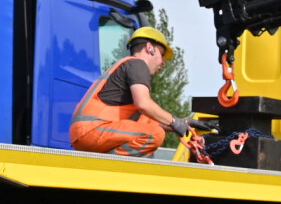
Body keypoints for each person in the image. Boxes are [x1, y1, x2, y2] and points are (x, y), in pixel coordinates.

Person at [69, 27, 196, 157]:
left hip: (89, 131)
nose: (163, 63)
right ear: (150, 48)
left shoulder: (128, 66)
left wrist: (183, 123)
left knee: (148, 122)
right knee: (154, 134)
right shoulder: (137, 64)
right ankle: (106, 165)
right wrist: (174, 121)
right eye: (162, 55)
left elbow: (150, 116)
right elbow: (143, 104)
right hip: (91, 130)